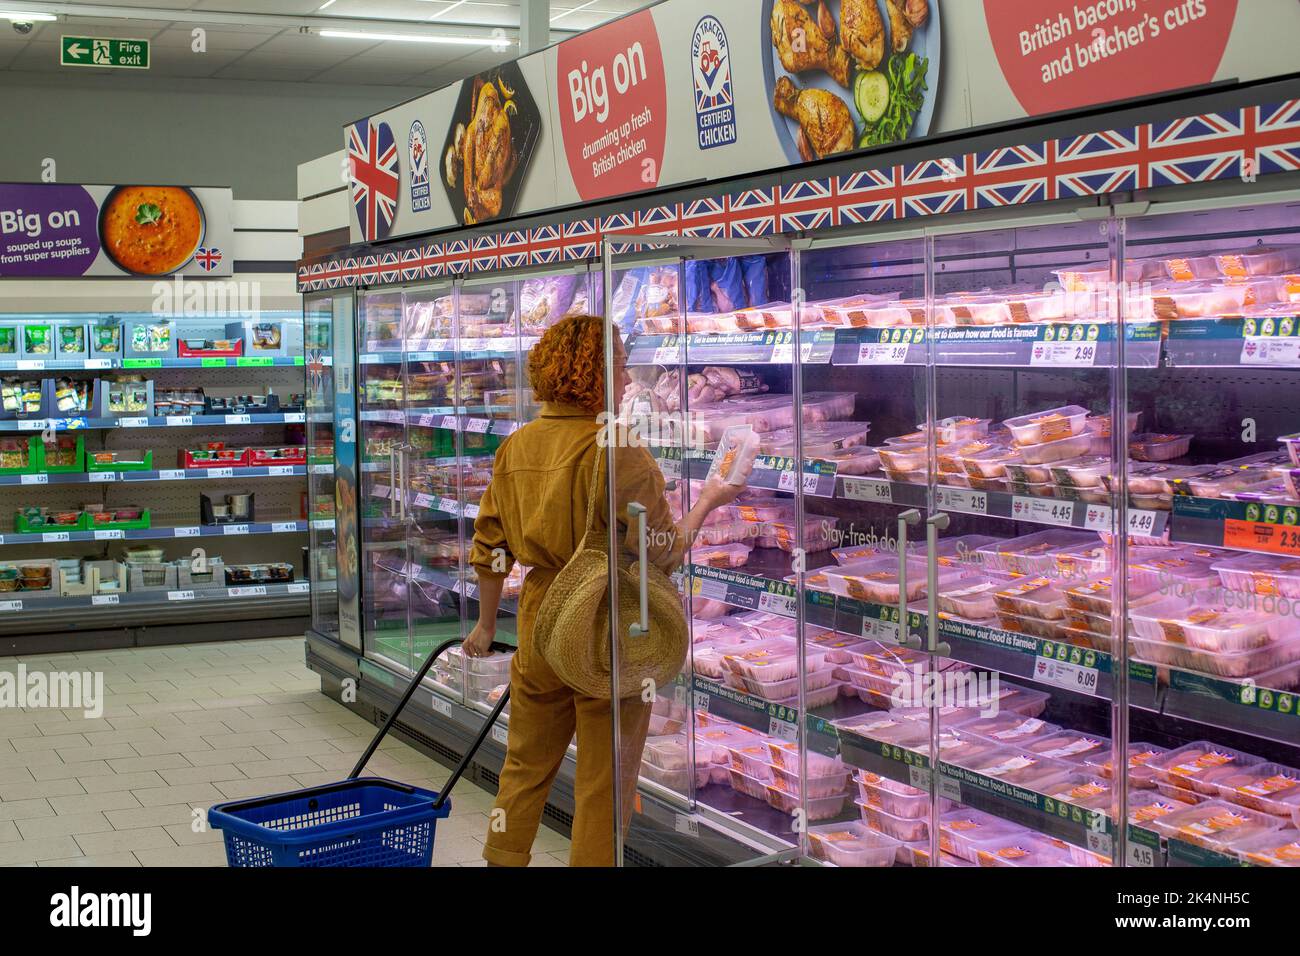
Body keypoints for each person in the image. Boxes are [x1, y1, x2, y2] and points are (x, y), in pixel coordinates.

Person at [462, 313, 745, 866]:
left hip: (541, 619)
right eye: (618, 364)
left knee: (524, 765)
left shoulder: (516, 446)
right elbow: (662, 549)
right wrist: (710, 499)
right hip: (606, 624)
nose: (625, 379)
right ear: (596, 372)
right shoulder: (618, 449)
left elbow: (491, 546)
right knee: (604, 780)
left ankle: (501, 857)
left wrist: (486, 623)